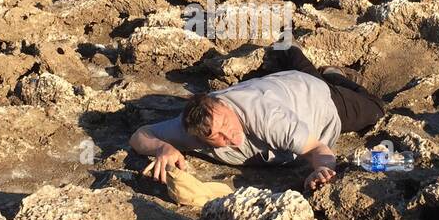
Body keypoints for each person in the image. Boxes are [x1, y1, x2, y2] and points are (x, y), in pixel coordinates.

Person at [129, 47, 385, 191]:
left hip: (322, 100)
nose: (228, 137)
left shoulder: (267, 119)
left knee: (376, 110)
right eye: (215, 137)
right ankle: (291, 54)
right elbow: (140, 135)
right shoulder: (191, 126)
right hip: (281, 87)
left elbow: (319, 149)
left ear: (224, 104)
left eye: (226, 124)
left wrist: (321, 170)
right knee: (298, 73)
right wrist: (163, 148)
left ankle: (334, 76)